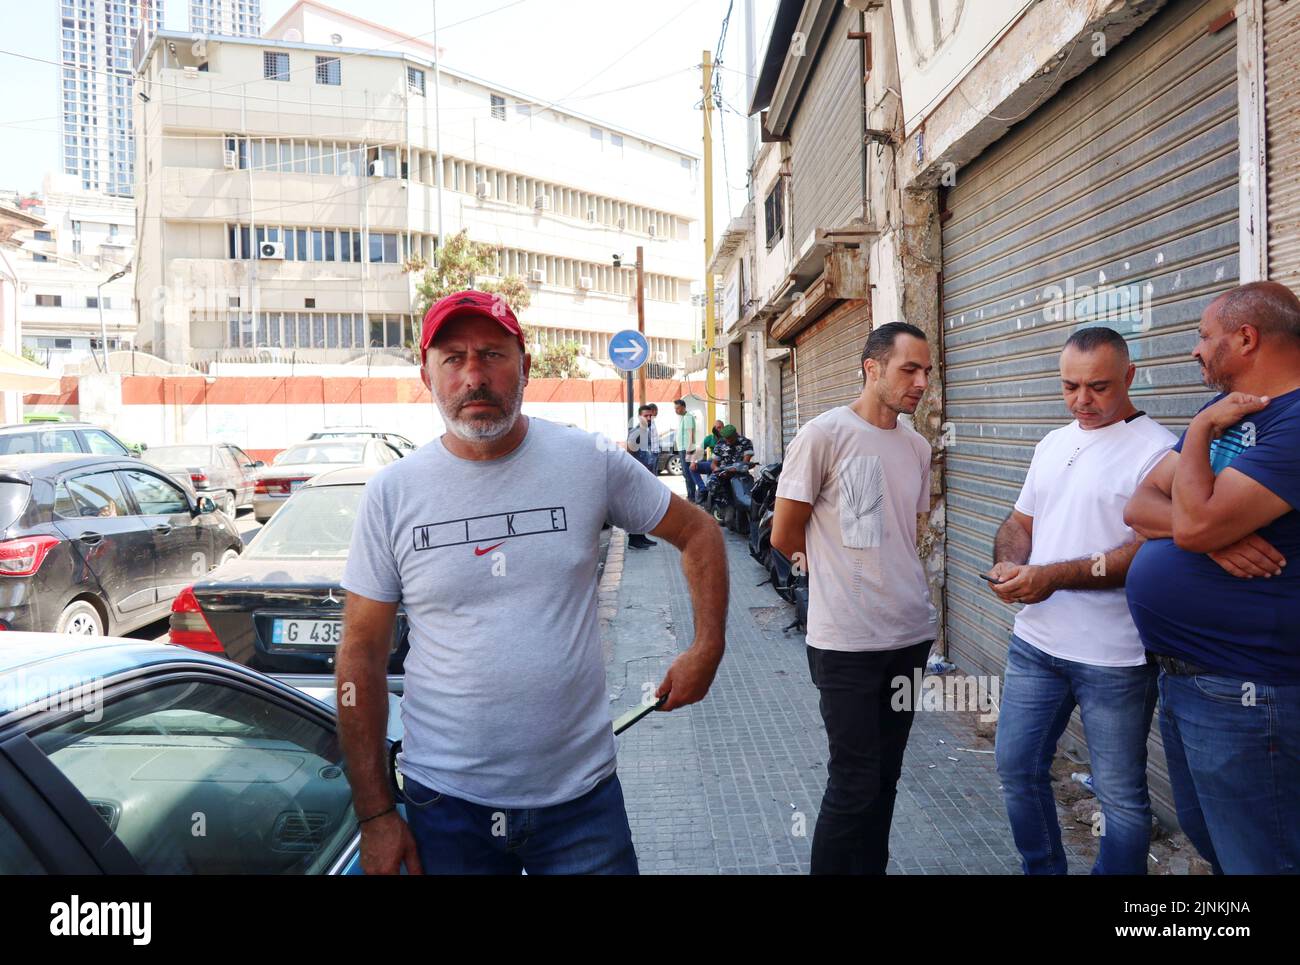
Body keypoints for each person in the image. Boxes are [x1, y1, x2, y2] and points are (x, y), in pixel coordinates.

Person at [335, 290, 728, 875]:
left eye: (492, 355)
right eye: (454, 358)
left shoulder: (586, 461)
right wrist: (375, 814)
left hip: (581, 803)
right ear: (427, 374)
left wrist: (707, 647)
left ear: (525, 365)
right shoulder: (393, 494)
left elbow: (699, 532)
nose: (475, 376)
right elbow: (360, 654)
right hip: (444, 805)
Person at [1124, 281, 1300, 874]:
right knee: (1215, 843)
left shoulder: (1292, 421)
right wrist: (1209, 536)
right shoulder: (1222, 410)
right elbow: (1140, 505)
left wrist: (1198, 442)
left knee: (1260, 858)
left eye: (1204, 336)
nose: (1195, 351)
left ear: (1245, 338)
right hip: (1188, 681)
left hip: (1251, 688)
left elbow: (1193, 524)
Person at [988, 327, 1175, 875]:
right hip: (1035, 644)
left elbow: (1147, 551)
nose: (1082, 401)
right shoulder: (1054, 442)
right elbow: (1020, 523)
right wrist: (1010, 562)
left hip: (1113, 657)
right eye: (1070, 386)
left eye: (1097, 387)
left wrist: (1053, 575)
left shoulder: (1159, 452)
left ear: (1130, 378)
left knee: (1119, 798)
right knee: (1016, 769)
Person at [770, 321, 937, 875]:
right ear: (872, 367)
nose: (920, 382)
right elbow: (784, 535)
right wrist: (835, 579)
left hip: (908, 636)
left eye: (926, 372)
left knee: (886, 776)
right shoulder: (825, 434)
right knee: (854, 781)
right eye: (908, 369)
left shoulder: (916, 446)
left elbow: (893, 533)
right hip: (847, 643)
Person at [626, 405, 660, 549]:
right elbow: (629, 452)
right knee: (637, 508)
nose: (648, 418)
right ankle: (634, 540)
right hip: (637, 476)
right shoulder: (637, 432)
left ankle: (641, 536)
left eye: (650, 415)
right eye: (645, 416)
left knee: (644, 508)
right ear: (639, 417)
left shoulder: (646, 431)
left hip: (647, 474)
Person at [711, 424, 755, 513]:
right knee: (712, 483)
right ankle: (725, 506)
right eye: (726, 438)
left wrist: (735, 469)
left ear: (735, 434)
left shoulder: (745, 442)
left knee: (746, 492)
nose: (728, 441)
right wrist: (717, 470)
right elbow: (713, 464)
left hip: (739, 473)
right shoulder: (720, 444)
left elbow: (745, 462)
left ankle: (747, 511)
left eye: (730, 438)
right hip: (722, 473)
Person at [674, 399, 699, 502]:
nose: (676, 410)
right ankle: (691, 495)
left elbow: (691, 434)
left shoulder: (688, 417)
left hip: (686, 449)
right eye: (675, 408)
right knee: (686, 473)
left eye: (678, 408)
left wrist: (689, 449)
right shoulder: (684, 417)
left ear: (683, 407)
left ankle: (691, 496)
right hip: (683, 449)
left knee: (687, 473)